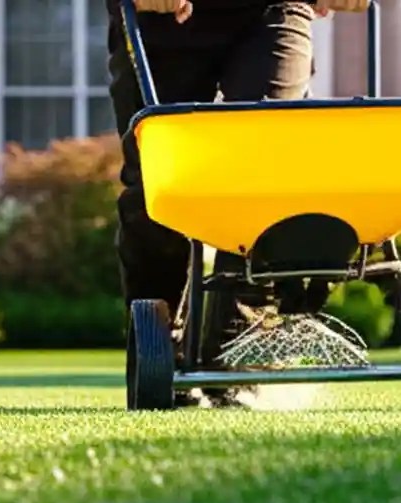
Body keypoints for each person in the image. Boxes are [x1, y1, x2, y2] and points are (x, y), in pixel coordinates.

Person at [107, 0, 369, 407]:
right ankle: (160, 350)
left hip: (271, 10)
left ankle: (236, 351)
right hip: (160, 21)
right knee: (158, 185)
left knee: (264, 158)